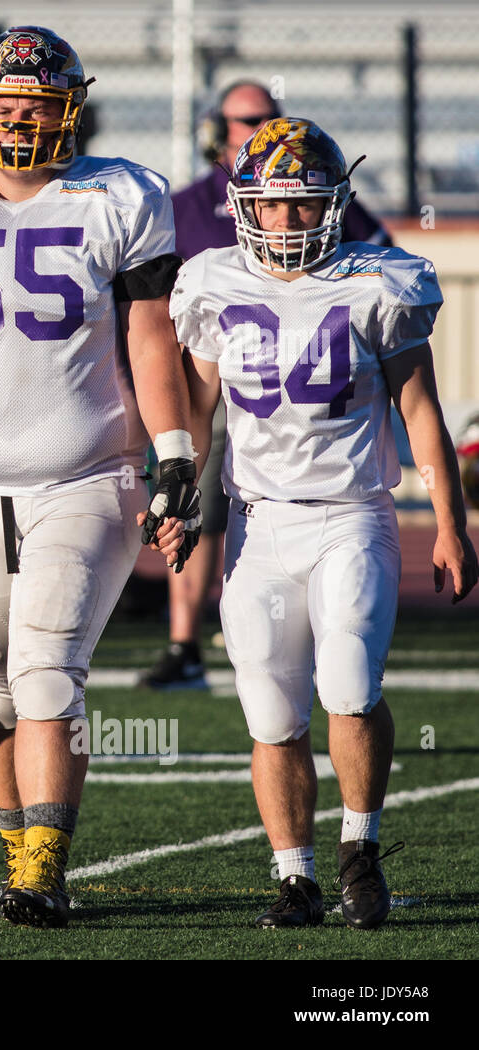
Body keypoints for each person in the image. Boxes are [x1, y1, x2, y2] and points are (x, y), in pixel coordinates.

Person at [0, 26, 199, 929]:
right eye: (8, 106)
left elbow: (149, 339)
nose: (21, 122)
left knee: (49, 669)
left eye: (40, 106)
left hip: (86, 475)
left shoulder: (120, 195)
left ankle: (42, 874)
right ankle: (20, 849)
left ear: (71, 112)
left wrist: (173, 452)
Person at [175, 117, 477, 928]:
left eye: (303, 205)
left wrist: (450, 523)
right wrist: (172, 494)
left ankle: (359, 849)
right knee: (272, 713)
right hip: (258, 523)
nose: (285, 222)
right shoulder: (211, 281)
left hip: (353, 516)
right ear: (242, 206)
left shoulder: (380, 280)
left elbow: (421, 413)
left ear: (335, 204)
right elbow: (197, 407)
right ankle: (293, 878)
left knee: (348, 683)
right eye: (270, 207)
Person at [141, 79, 394, 689]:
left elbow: (376, 262)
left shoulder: (319, 186)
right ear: (214, 131)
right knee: (195, 495)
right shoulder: (190, 205)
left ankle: (299, 625)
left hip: (312, 378)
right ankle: (186, 637)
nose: (253, 127)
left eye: (265, 115)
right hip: (223, 375)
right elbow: (154, 306)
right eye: (240, 119)